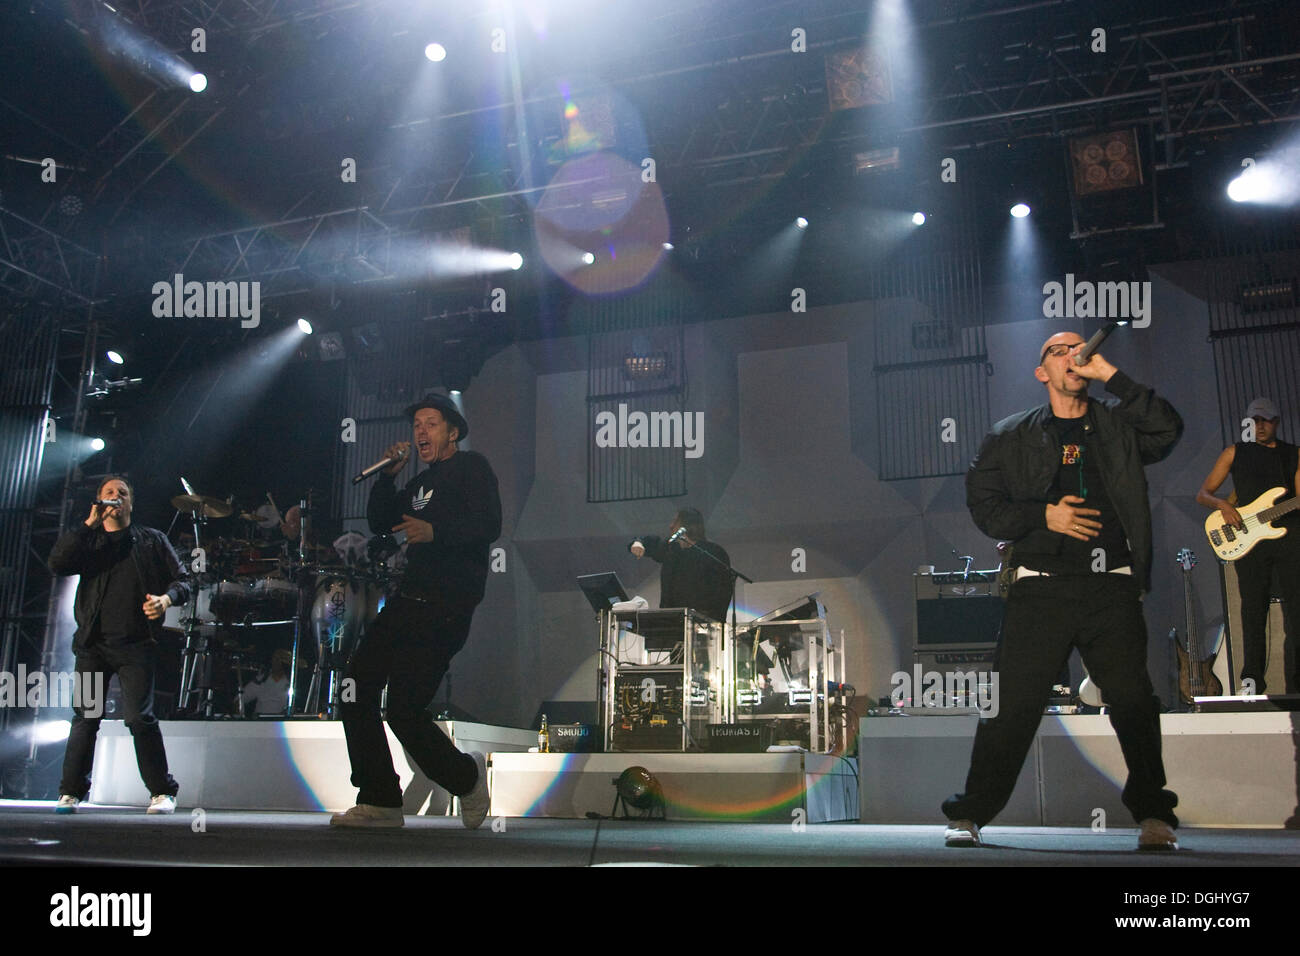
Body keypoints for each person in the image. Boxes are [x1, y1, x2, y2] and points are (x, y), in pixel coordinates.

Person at [942, 332, 1183, 851]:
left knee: (1133, 700)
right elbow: (983, 504)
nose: (1073, 355)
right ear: (1041, 373)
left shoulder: (1117, 426)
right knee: (1010, 706)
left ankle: (1153, 816)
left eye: (1080, 348)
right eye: (1058, 351)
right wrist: (1043, 517)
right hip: (1041, 588)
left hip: (1110, 586)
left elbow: (1167, 429)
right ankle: (971, 814)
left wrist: (1112, 377)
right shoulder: (1011, 435)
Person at [332, 394, 502, 828]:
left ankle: (466, 776)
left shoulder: (472, 467)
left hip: (446, 607)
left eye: (430, 423)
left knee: (405, 712)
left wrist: (436, 531)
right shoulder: (421, 483)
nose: (421, 432)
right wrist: (388, 477)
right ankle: (380, 800)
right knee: (354, 685)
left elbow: (489, 524)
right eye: (417, 425)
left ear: (453, 432)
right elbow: (381, 521)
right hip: (408, 600)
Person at [48, 475, 190, 815]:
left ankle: (162, 792)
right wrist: (87, 525)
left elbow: (185, 579)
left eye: (122, 493)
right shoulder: (88, 540)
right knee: (85, 717)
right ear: (99, 501)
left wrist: (166, 600)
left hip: (135, 643)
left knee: (139, 718)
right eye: (109, 492)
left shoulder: (151, 540)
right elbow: (57, 564)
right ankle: (71, 792)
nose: (115, 497)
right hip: (92, 644)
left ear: (130, 503)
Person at [1196, 397, 1300, 694]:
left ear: (1276, 422)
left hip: (1289, 535)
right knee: (1252, 610)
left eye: (1265, 420)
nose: (1260, 426)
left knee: (1296, 610)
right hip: (1250, 539)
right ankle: (1252, 680)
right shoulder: (1235, 452)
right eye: (1254, 420)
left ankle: (1296, 683)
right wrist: (1225, 507)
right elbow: (1204, 493)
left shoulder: (1293, 454)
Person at [628, 508, 733, 622]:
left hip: (702, 624)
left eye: (675, 521)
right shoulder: (672, 549)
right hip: (670, 622)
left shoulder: (713, 552)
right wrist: (638, 542)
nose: (671, 526)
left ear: (687, 526)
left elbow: (722, 592)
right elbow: (649, 543)